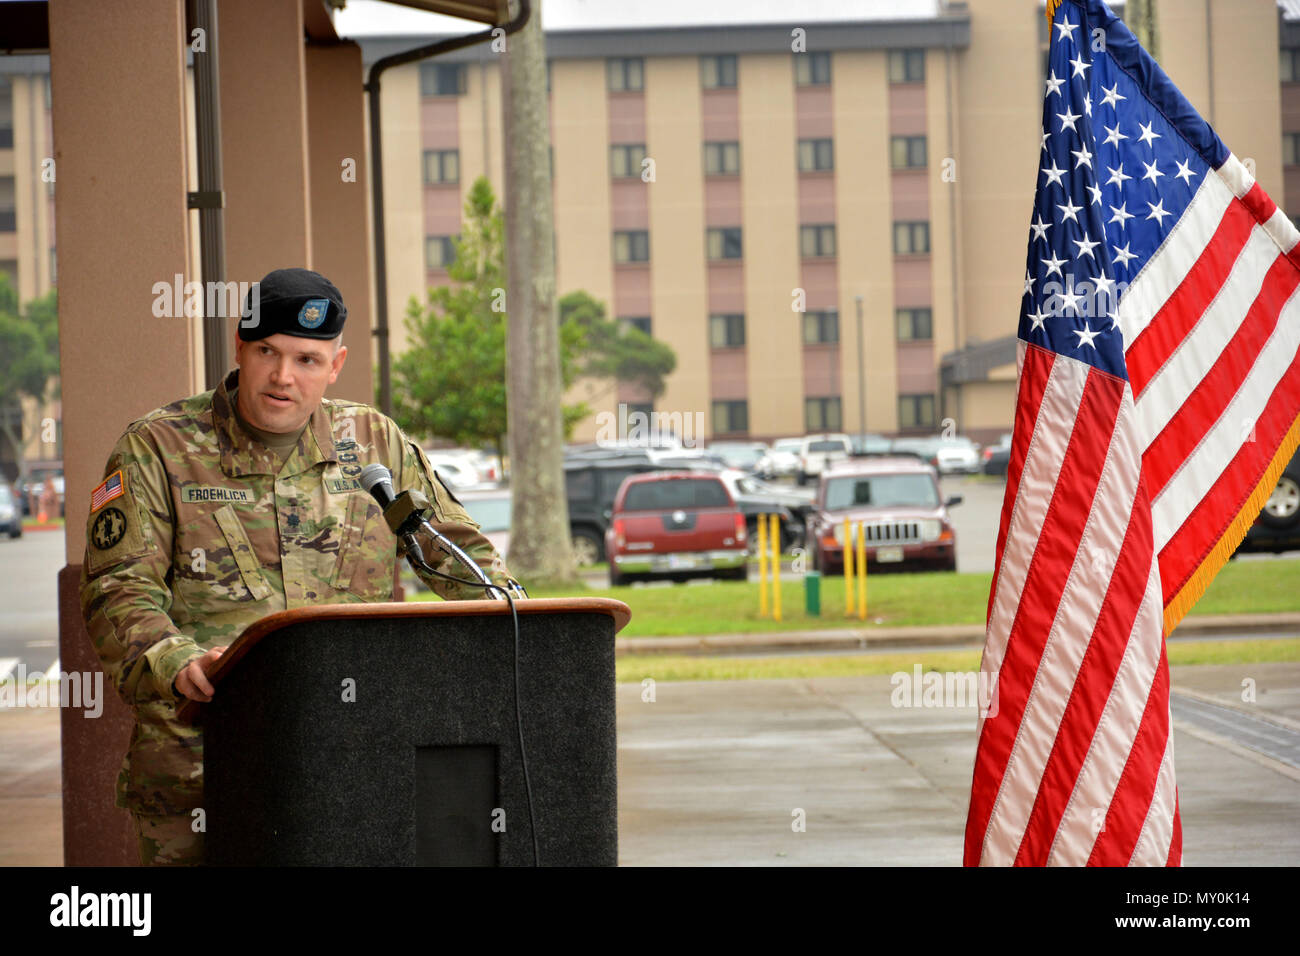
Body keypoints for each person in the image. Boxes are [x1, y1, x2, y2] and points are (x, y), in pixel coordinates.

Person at [80, 268, 521, 866]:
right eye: (268, 352)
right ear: (240, 347)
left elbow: (456, 553)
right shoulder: (158, 447)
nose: (284, 377)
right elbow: (118, 587)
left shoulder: (372, 443)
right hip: (202, 767)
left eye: (307, 360)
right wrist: (175, 662)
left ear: (335, 365)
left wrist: (522, 619)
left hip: (353, 764)